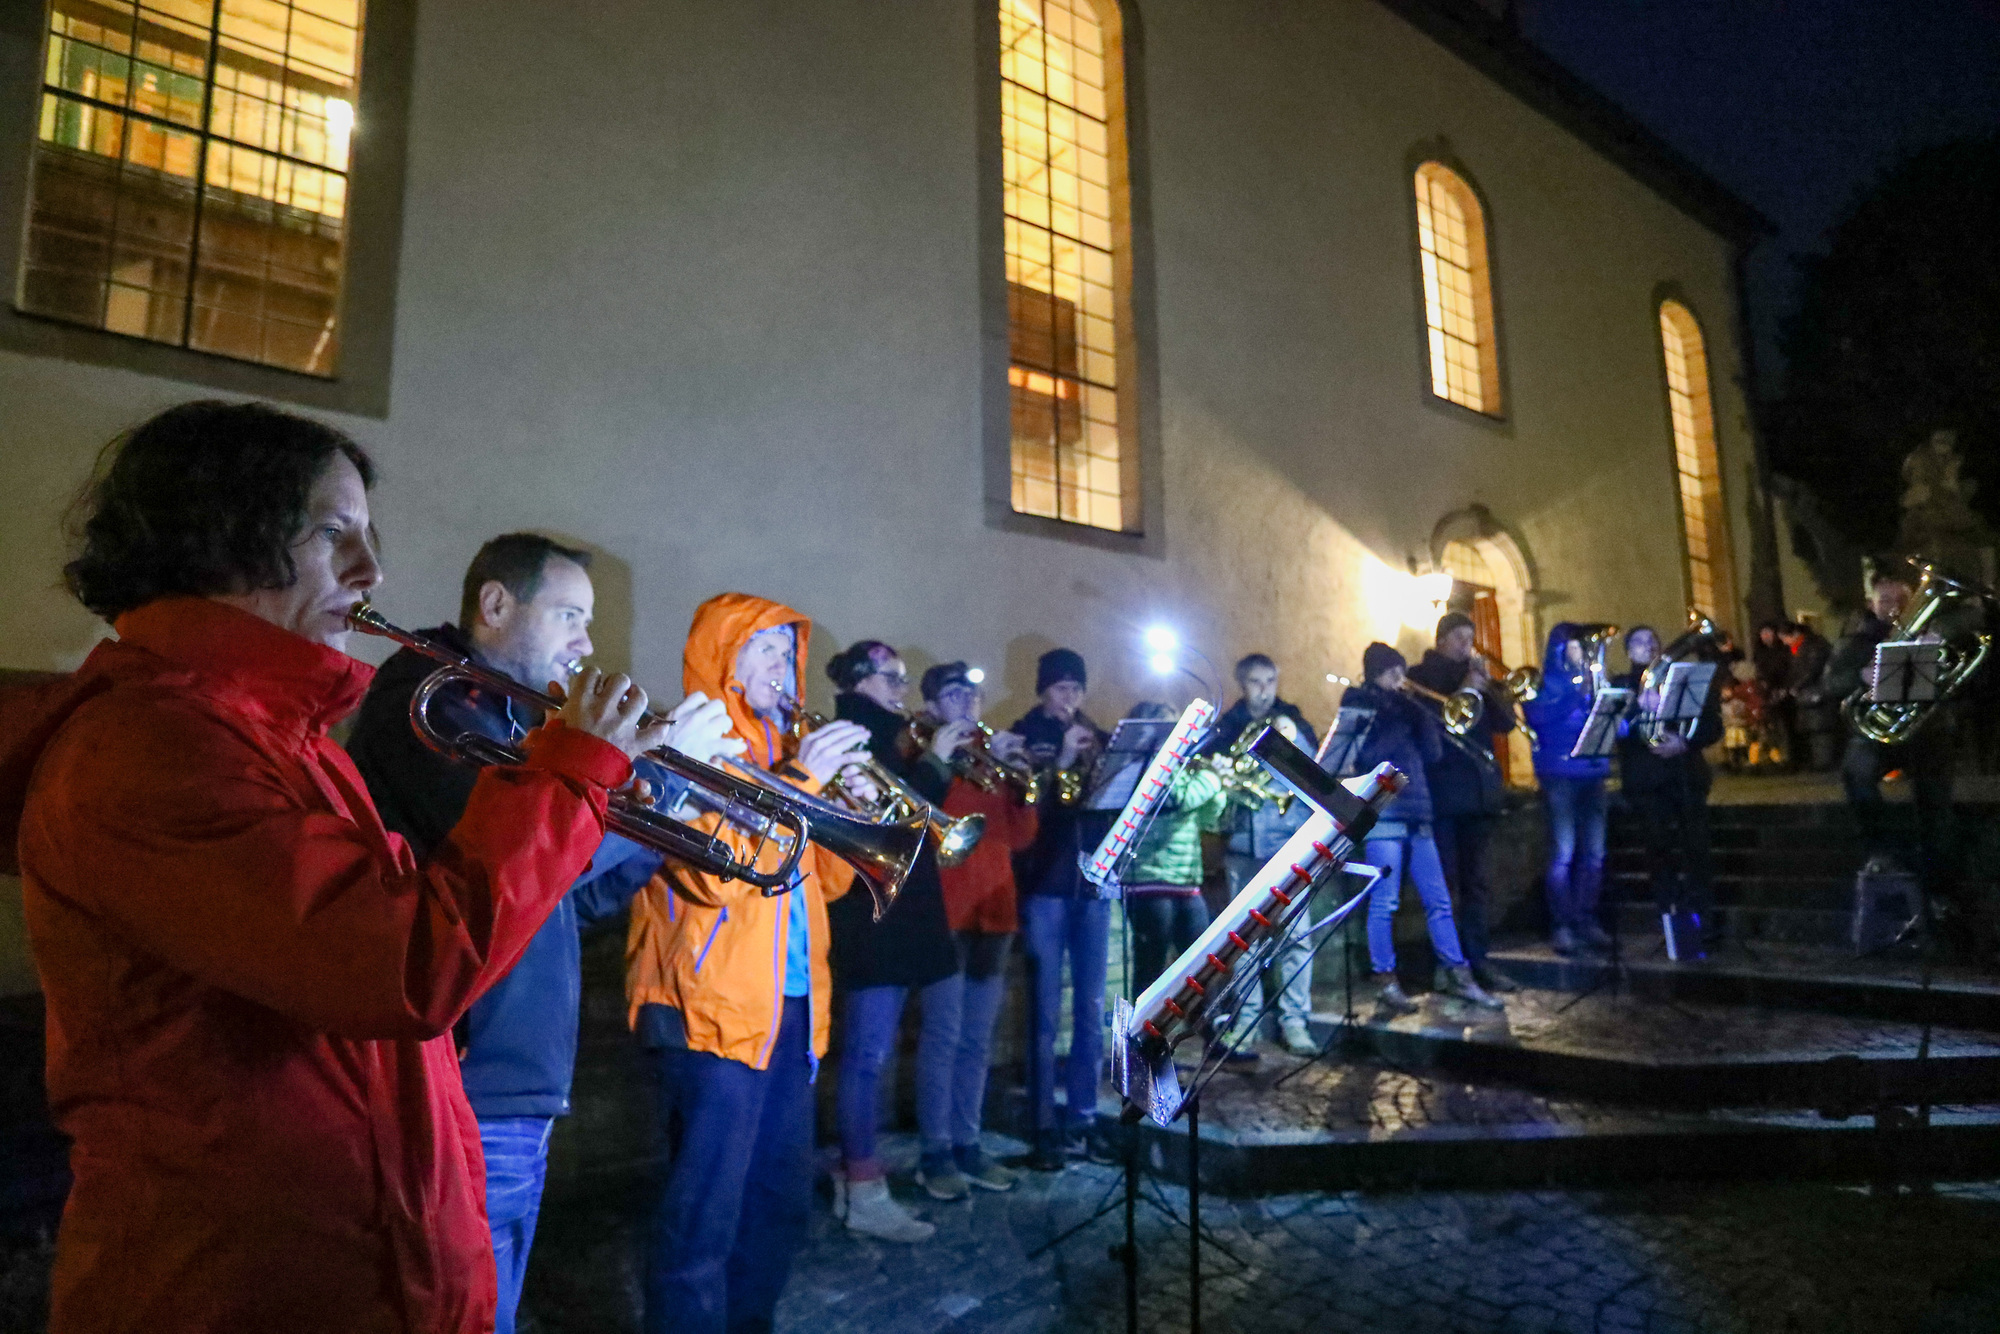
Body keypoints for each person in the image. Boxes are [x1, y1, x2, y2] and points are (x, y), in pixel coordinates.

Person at [4, 401, 665, 1334]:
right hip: (244, 1287)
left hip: (363, 1258)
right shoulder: (153, 749)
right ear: (221, 539)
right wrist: (574, 773)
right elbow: (402, 964)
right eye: (333, 532)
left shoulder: (277, 735)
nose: (372, 570)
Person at [344, 533, 741, 1333]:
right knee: (470, 1302)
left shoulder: (508, 712)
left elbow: (561, 899)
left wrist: (665, 825)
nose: (586, 643)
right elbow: (502, 864)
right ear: (495, 605)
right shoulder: (434, 700)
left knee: (496, 1289)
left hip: (513, 1073)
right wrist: (653, 784)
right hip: (469, 1073)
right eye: (569, 615)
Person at [623, 594, 876, 1334]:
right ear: (722, 659)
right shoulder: (689, 743)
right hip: (707, 1011)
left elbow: (819, 885)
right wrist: (800, 783)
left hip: (789, 1007)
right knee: (704, 1215)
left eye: (784, 650)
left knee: (778, 1202)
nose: (781, 667)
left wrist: (842, 816)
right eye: (760, 649)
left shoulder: (779, 752)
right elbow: (711, 871)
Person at [823, 640, 964, 1242]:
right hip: (873, 917)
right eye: (893, 678)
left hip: (904, 916)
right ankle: (862, 1185)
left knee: (872, 1056)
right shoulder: (853, 736)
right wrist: (937, 761)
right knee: (866, 1058)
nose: (903, 689)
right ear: (859, 681)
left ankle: (857, 1171)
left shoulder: (892, 733)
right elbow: (898, 820)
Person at [913, 662, 1035, 1198]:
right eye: (953, 693)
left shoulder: (992, 756)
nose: (967, 701)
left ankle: (968, 1142)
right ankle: (933, 1151)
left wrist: (1021, 780)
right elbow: (924, 815)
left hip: (997, 909)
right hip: (947, 910)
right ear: (934, 705)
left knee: (977, 1039)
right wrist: (948, 759)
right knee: (943, 1036)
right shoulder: (924, 754)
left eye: (973, 693)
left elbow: (1021, 836)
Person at [1341, 645, 1504, 1014]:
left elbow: (1433, 755)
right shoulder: (1360, 703)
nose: (1401, 680)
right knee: (1386, 902)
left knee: (1440, 900)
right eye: (1392, 675)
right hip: (1383, 813)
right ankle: (1385, 980)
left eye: (1402, 672)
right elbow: (1368, 755)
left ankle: (1459, 975)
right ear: (1376, 675)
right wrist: (1400, 711)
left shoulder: (1413, 707)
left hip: (1420, 810)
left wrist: (1424, 716)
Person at [1011, 647, 1112, 1170]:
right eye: (1060, 687)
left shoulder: (1098, 733)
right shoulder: (1023, 735)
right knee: (1044, 1012)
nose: (1070, 695)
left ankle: (1084, 1117)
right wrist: (1064, 763)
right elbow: (1025, 814)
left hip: (1091, 887)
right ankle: (1042, 1122)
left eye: (1077, 687)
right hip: (1045, 886)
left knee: (1091, 1010)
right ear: (1043, 691)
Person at [1206, 653, 1320, 1056]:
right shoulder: (1228, 727)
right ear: (1242, 684)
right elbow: (1212, 775)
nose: (1264, 690)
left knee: (1295, 937)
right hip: (1242, 843)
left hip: (1288, 843)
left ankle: (1295, 1022)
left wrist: (1298, 740)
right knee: (1244, 941)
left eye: (1270, 681)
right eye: (1255, 682)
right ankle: (1247, 1019)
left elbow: (1316, 774)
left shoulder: (1293, 719)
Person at [1823, 565, 1957, 892]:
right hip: (1878, 734)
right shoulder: (1856, 643)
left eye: (1901, 598)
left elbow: (1964, 684)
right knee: (1855, 772)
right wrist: (1860, 676)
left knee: (1936, 789)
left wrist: (1938, 659)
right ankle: (1881, 849)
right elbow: (1830, 683)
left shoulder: (1934, 636)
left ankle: (1940, 867)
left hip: (1925, 732)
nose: (1893, 605)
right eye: (1885, 599)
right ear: (1872, 604)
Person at [1406, 614, 1518, 994]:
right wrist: (1464, 688)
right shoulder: (1421, 676)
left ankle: (1478, 960)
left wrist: (1486, 689)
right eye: (1458, 638)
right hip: (1443, 797)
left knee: (1478, 886)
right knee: (1446, 886)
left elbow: (1506, 724)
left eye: (1469, 638)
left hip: (1479, 796)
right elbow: (1430, 725)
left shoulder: (1478, 676)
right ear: (1440, 640)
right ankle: (1448, 965)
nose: (1466, 645)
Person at [1611, 626, 1724, 951]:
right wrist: (1636, 712)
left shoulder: (1683, 679)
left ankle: (1705, 920)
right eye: (1639, 643)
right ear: (1629, 652)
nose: (1647, 647)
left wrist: (1684, 742)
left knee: (1697, 850)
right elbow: (1614, 732)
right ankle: (1672, 924)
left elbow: (1713, 725)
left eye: (1652, 641)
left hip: (1686, 777)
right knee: (1659, 854)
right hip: (1647, 783)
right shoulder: (1622, 685)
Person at [1120, 702, 1231, 993]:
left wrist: (1218, 794)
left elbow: (1206, 820)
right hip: (1149, 880)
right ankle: (1143, 1036)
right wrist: (1213, 779)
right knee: (1151, 970)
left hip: (1185, 880)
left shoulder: (1180, 767)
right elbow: (1182, 799)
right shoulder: (1144, 767)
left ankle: (1209, 1030)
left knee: (1202, 967)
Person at [1522, 623, 1613, 956]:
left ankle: (1586, 918)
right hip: (1559, 775)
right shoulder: (1542, 683)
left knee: (1596, 854)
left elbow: (1617, 727)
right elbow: (1539, 718)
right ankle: (1562, 924)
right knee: (1563, 852)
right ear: (1560, 649)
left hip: (1593, 772)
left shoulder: (1593, 682)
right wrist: (1579, 691)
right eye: (1576, 647)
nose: (1583, 653)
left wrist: (1616, 707)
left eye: (1584, 647)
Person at [1782, 620, 1839, 770]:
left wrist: (1797, 686)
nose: (1785, 642)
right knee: (1813, 730)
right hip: (1809, 694)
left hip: (1817, 694)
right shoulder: (1802, 648)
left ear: (1794, 634)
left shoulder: (1813, 647)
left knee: (1820, 730)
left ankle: (1823, 762)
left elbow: (1812, 670)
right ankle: (1818, 761)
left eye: (1785, 638)